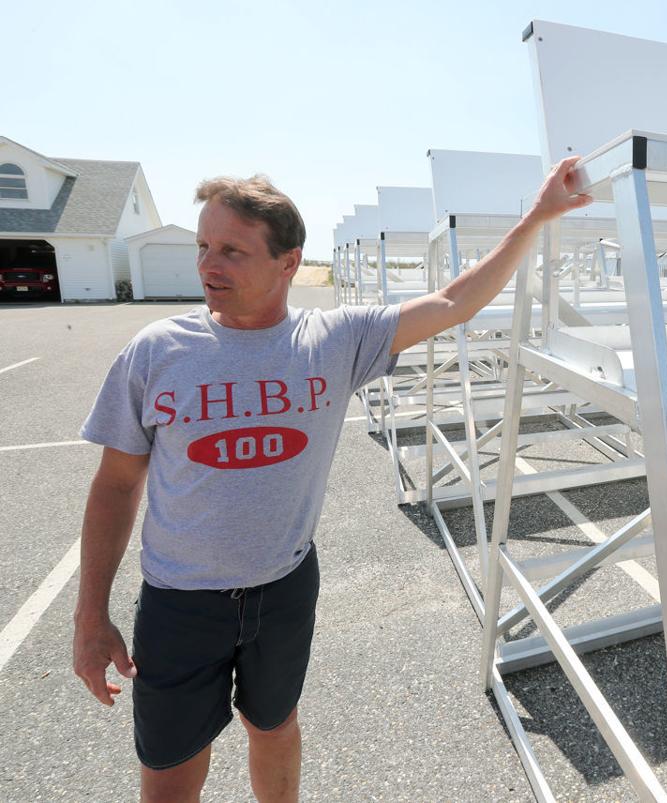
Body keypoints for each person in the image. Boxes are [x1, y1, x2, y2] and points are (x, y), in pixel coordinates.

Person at [72, 159, 591, 802]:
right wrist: (90, 616)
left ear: (288, 263)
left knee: (274, 724)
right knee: (170, 769)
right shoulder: (156, 352)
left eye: (232, 250)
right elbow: (115, 486)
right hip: (180, 601)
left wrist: (537, 216)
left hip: (284, 589)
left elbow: (457, 301)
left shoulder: (334, 340)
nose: (209, 265)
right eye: (203, 246)